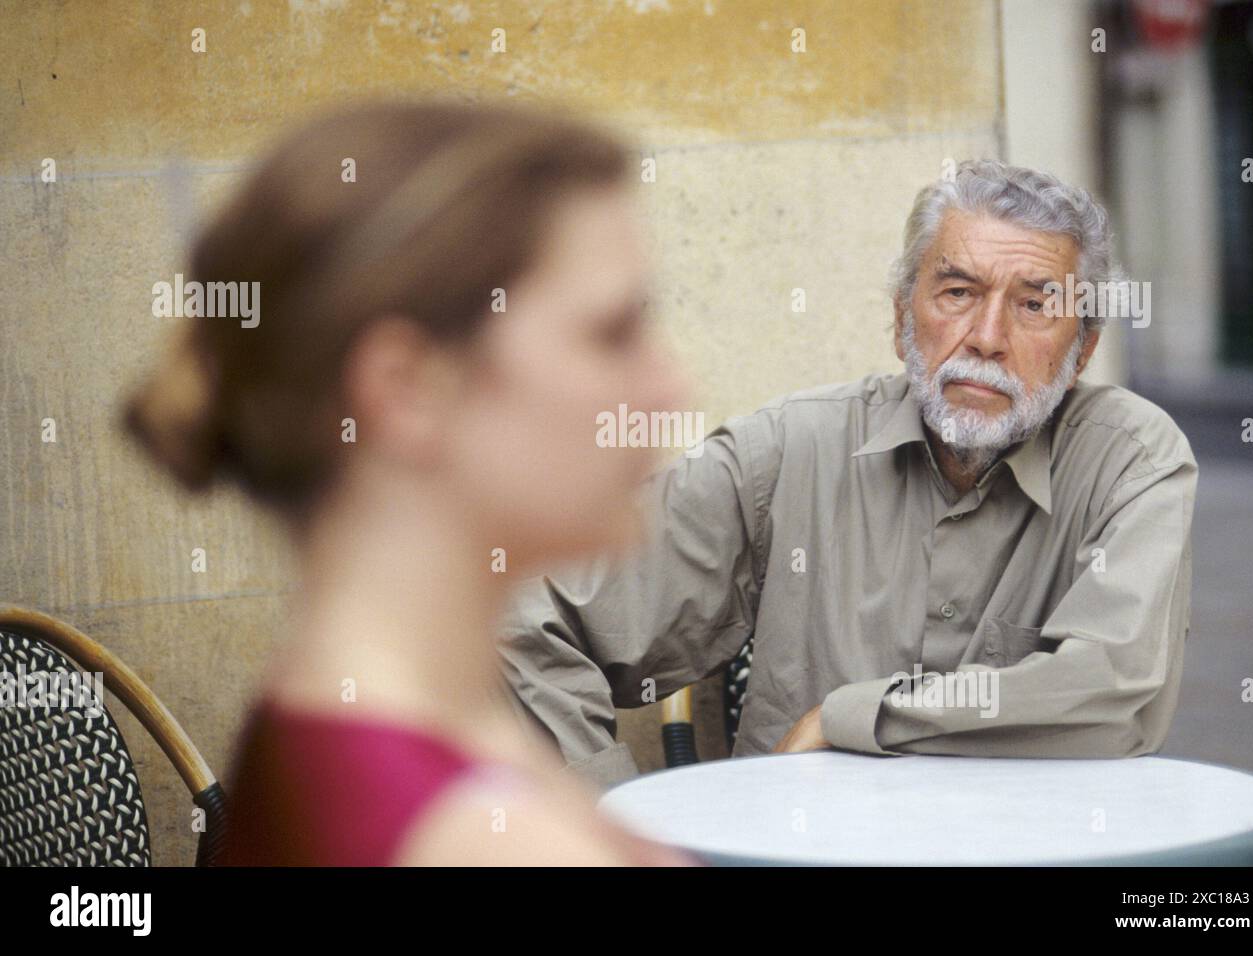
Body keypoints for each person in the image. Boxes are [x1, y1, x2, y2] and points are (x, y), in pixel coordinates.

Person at [500, 160, 1199, 787]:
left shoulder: (1131, 460)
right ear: (902, 320)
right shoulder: (788, 451)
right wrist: (599, 823)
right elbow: (522, 610)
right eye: (957, 292)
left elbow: (1115, 692)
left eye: (1035, 305)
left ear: (1081, 353)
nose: (987, 338)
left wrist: (853, 718)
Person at [125, 99, 693, 865]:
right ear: (405, 388)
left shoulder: (323, 720)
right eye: (611, 333)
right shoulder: (481, 843)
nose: (670, 388)